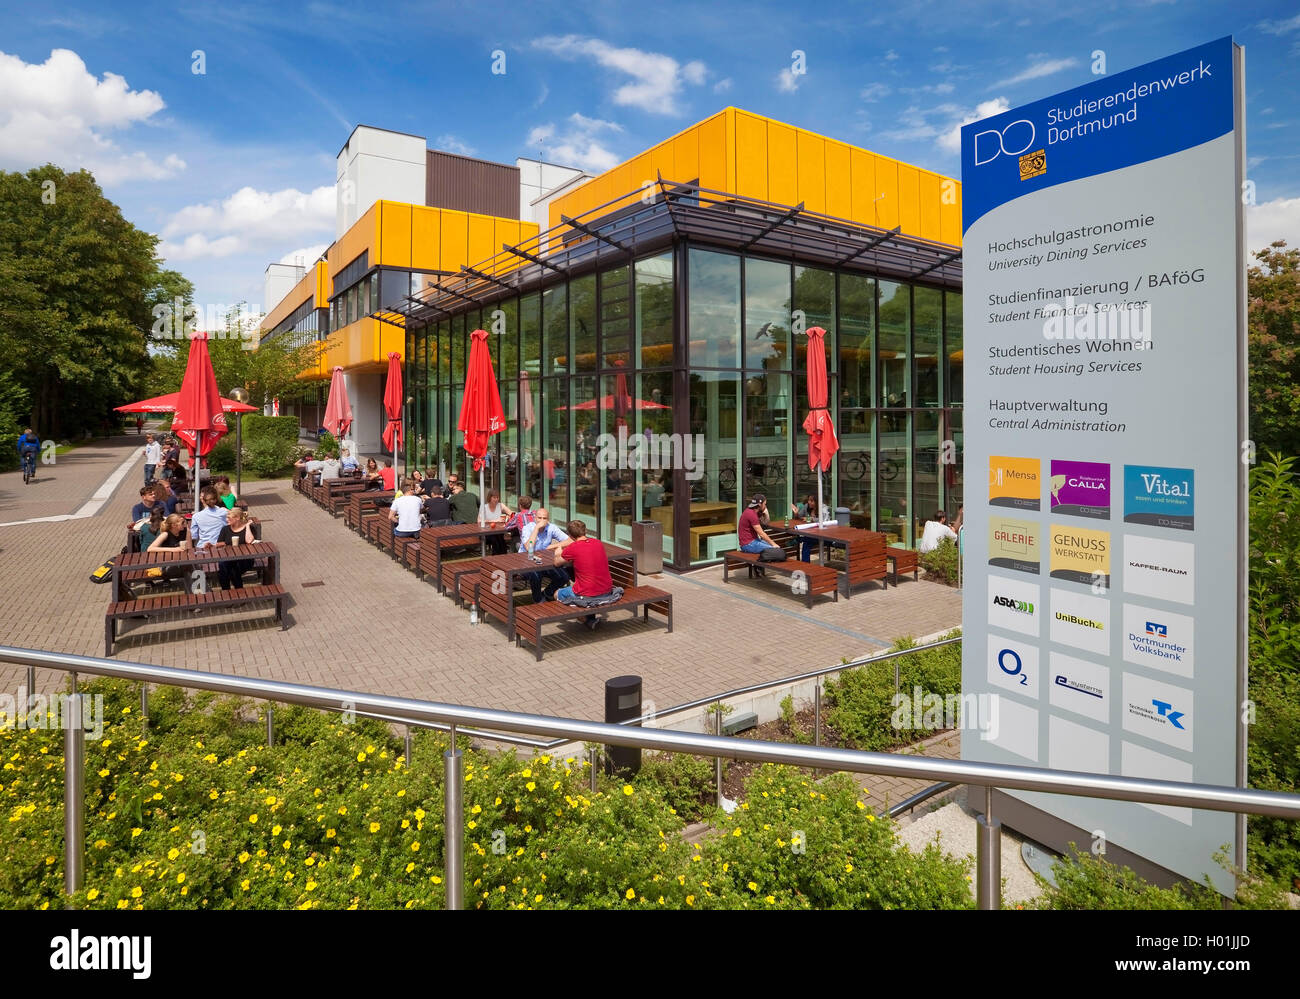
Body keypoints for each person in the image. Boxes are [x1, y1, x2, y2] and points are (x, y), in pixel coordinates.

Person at [553, 520, 614, 629]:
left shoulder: (573, 548)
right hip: (607, 590)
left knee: (557, 594)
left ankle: (585, 619)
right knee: (584, 586)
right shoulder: (598, 543)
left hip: (588, 594)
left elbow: (556, 563)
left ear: (570, 536)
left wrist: (558, 553)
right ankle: (590, 620)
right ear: (585, 531)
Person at [518, 508, 570, 603]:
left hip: (545, 561)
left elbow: (569, 540)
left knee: (564, 576)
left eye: (544, 518)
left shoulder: (551, 527)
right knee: (535, 574)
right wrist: (536, 529)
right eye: (539, 518)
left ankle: (547, 593)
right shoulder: (527, 528)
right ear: (534, 518)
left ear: (548, 519)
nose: (542, 521)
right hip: (527, 561)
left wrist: (553, 546)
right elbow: (529, 548)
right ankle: (538, 600)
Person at [216, 507, 257, 590]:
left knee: (233, 570)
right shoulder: (225, 529)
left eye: (229, 517)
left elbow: (249, 541)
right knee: (222, 567)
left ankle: (237, 594)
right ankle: (227, 592)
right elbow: (219, 543)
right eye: (226, 517)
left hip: (245, 559)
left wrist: (247, 526)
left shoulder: (248, 529)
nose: (227, 520)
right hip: (230, 557)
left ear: (237, 518)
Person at [481, 489, 510, 554]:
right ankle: (499, 556)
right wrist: (495, 520)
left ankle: (501, 556)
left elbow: (511, 513)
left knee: (499, 537)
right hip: (486, 532)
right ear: (489, 498)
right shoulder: (484, 507)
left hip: (498, 531)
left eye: (497, 497)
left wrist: (508, 517)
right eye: (494, 497)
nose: (496, 499)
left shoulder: (500, 505)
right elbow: (479, 521)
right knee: (496, 538)